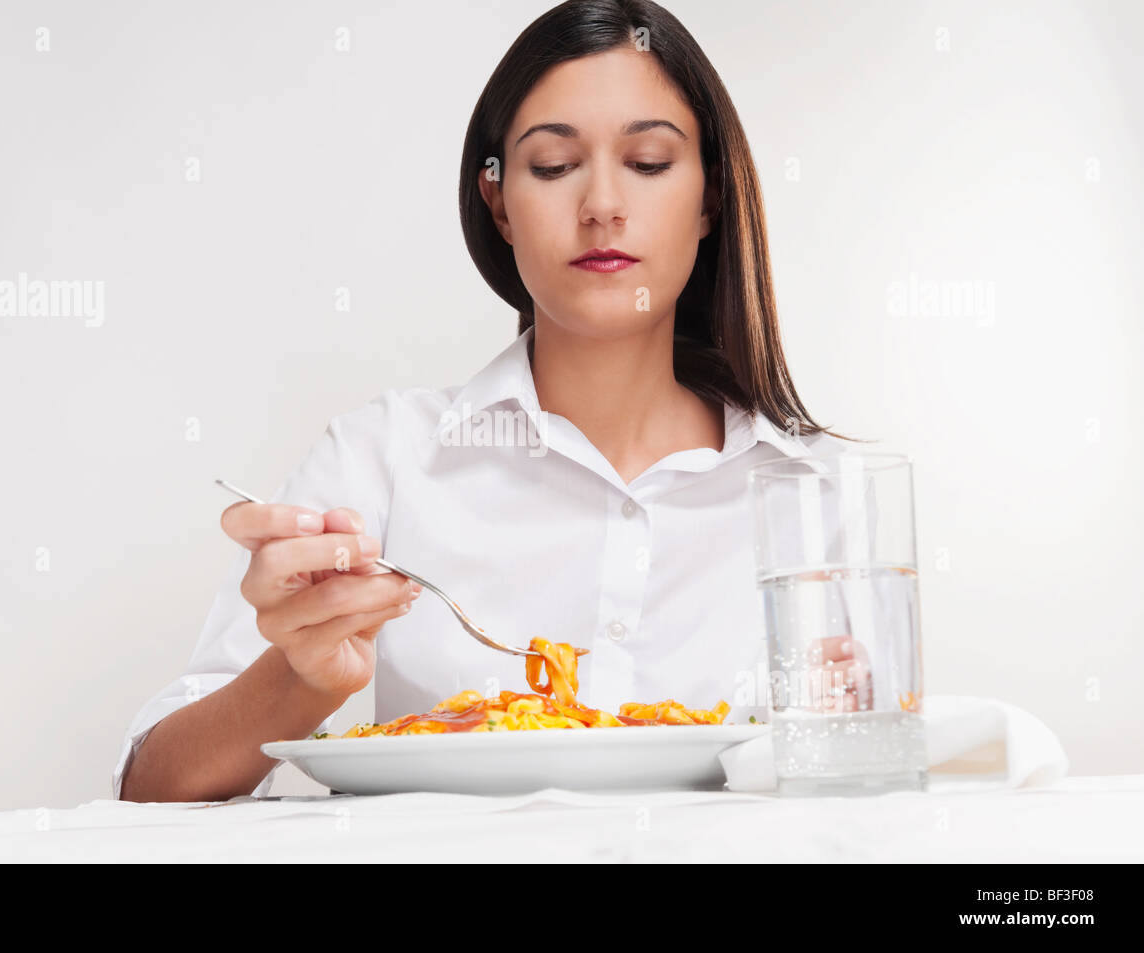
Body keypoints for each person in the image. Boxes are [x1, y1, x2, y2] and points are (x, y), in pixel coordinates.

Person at [115, 0, 871, 803]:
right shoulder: (384, 458)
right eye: (552, 166)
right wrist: (301, 675)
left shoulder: (823, 496)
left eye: (648, 161)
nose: (603, 205)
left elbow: (876, 806)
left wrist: (847, 736)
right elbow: (150, 789)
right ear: (499, 201)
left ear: (711, 196)